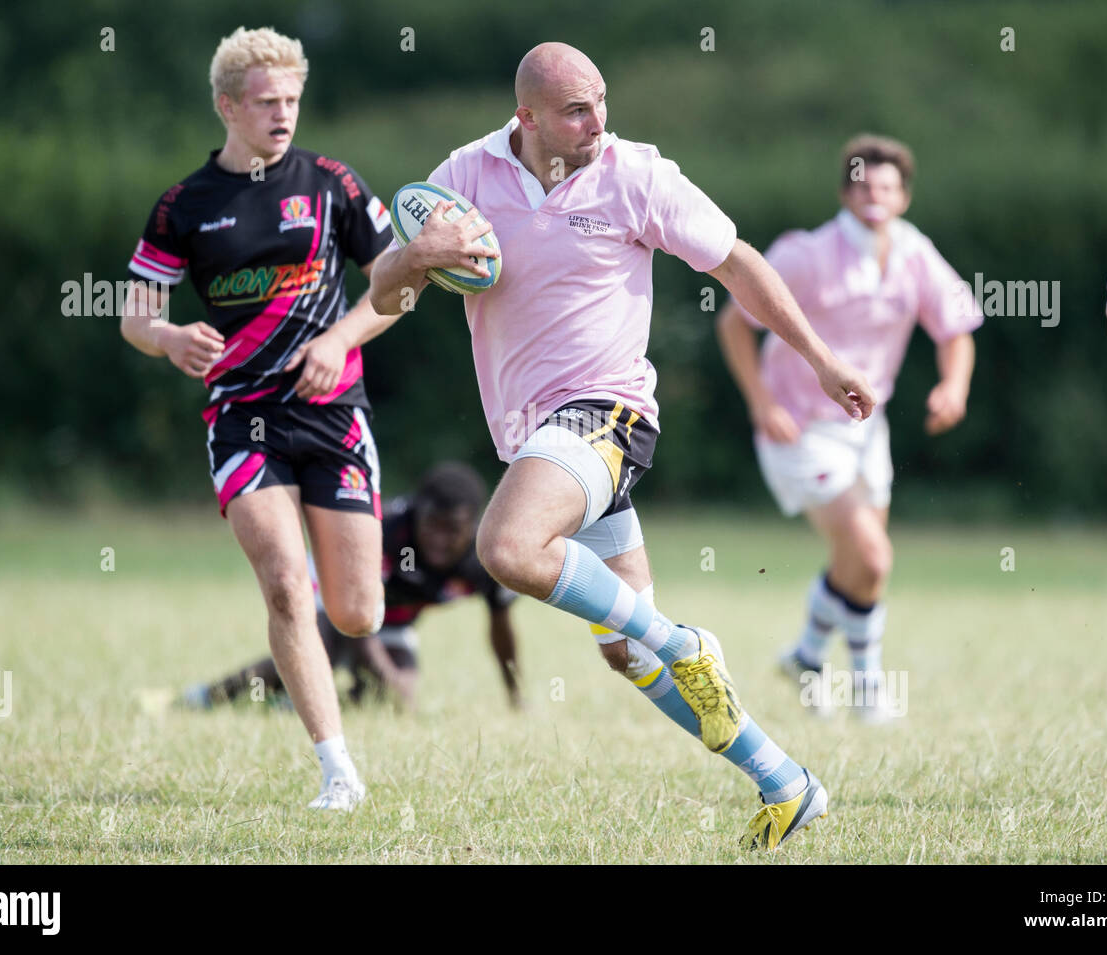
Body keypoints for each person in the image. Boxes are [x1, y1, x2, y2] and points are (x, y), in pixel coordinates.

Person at [368, 42, 877, 849]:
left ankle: (688, 643)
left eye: (602, 100)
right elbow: (385, 290)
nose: (598, 121)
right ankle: (786, 780)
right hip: (534, 433)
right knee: (626, 651)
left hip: (606, 414)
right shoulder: (464, 177)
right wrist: (413, 259)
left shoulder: (636, 174)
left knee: (505, 546)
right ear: (526, 117)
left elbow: (737, 264)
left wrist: (818, 359)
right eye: (576, 109)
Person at [119, 27, 396, 811]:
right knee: (282, 585)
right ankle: (337, 769)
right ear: (227, 105)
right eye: (268, 102)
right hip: (243, 418)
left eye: (293, 100)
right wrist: (169, 336)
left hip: (333, 413)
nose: (283, 114)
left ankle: (331, 641)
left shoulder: (334, 182)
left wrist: (339, 339)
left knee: (358, 610)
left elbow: (396, 288)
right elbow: (135, 313)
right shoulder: (185, 204)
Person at [716, 134, 980, 721]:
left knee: (861, 566)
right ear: (843, 191)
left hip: (867, 427)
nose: (873, 196)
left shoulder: (914, 251)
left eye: (886, 187)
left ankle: (808, 656)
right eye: (862, 184)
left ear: (904, 197)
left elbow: (956, 328)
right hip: (800, 426)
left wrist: (953, 386)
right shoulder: (805, 254)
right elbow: (735, 325)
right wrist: (761, 403)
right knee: (872, 555)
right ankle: (868, 692)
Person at [183, 462, 522, 711]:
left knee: (396, 696)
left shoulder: (485, 559)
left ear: (472, 527)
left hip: (392, 620)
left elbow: (501, 629)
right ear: (416, 513)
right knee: (317, 655)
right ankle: (206, 698)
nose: (439, 539)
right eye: (431, 525)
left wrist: (515, 696)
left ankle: (292, 707)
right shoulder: (385, 534)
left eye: (452, 530)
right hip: (337, 597)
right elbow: (353, 615)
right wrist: (383, 670)